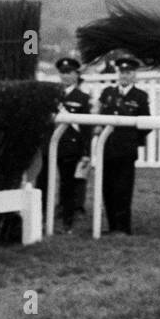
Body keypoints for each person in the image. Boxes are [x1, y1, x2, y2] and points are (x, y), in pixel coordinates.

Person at [97, 55, 151, 235]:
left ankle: (124, 227)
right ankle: (112, 225)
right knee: (107, 188)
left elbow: (146, 125)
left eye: (128, 73)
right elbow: (99, 118)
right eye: (122, 72)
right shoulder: (107, 93)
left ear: (134, 75)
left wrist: (131, 139)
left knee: (123, 188)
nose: (124, 76)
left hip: (126, 150)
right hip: (107, 148)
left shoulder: (140, 96)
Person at [49, 57, 92, 234]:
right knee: (44, 183)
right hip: (52, 146)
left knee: (69, 184)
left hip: (71, 147)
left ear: (76, 75)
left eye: (69, 73)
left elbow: (85, 128)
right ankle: (46, 216)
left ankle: (68, 220)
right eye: (63, 73)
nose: (66, 76)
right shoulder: (52, 95)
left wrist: (86, 151)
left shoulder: (82, 98)